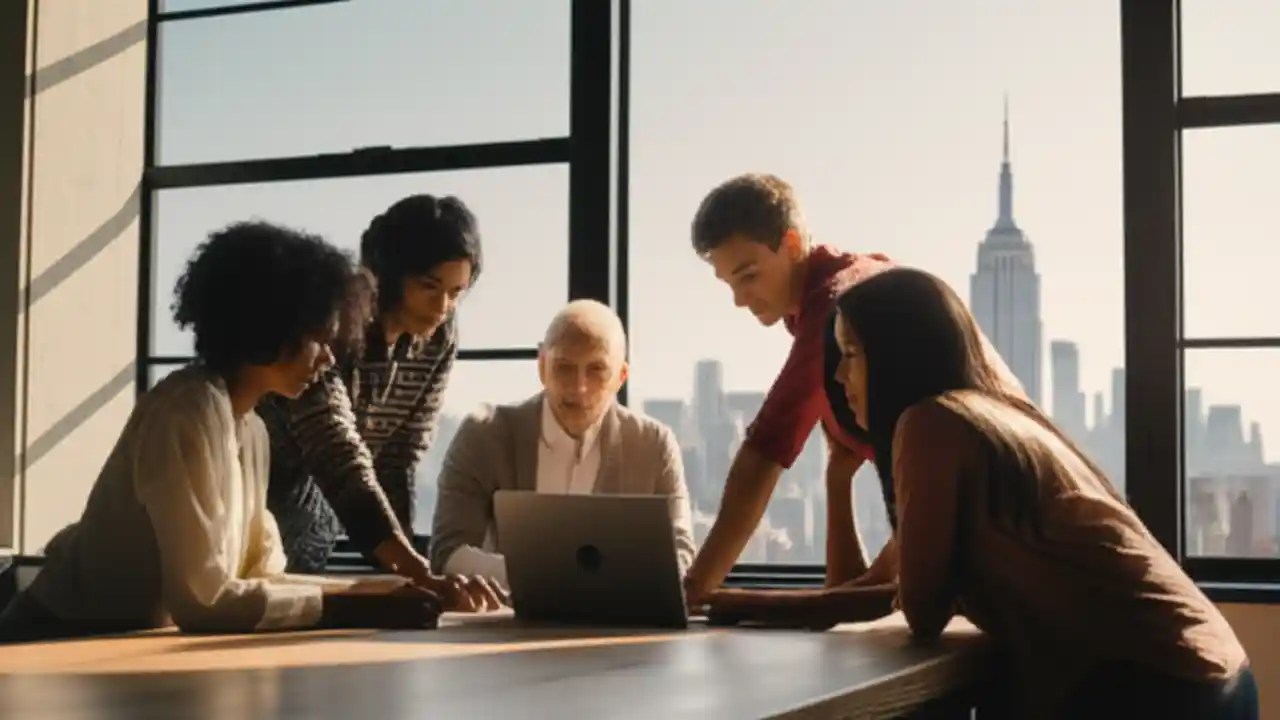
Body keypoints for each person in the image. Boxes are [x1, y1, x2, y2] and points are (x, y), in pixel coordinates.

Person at [713, 267, 1257, 719]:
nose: (841, 378)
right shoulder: (995, 416)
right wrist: (831, 491)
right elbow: (884, 590)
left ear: (898, 353)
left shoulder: (932, 424)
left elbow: (920, 609)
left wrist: (746, 604)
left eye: (851, 354)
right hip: (1212, 677)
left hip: (1157, 690)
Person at [0, 222, 443, 643]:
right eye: (319, 339)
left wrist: (378, 591)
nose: (329, 359)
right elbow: (204, 601)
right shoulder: (186, 410)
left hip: (122, 642)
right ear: (270, 326)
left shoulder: (250, 428)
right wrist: (356, 608)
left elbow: (260, 577)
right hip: (51, 635)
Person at [260, 194, 501, 609]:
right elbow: (336, 451)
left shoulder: (438, 335)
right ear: (389, 276)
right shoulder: (333, 320)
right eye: (429, 287)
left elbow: (400, 456)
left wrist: (411, 575)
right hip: (259, 506)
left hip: (324, 527)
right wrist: (418, 571)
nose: (443, 307)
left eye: (457, 292)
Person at [679, 172, 897, 607]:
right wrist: (837, 481)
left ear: (793, 245)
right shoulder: (819, 308)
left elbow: (764, 452)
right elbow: (848, 589)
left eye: (749, 275)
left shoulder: (838, 301)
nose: (740, 299)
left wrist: (695, 594)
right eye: (729, 284)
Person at [429, 300, 696, 587]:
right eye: (564, 367)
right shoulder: (484, 433)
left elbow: (680, 558)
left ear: (621, 377)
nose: (579, 387)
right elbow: (447, 553)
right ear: (542, 366)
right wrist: (559, 578)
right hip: (508, 623)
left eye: (596, 369)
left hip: (617, 627)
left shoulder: (655, 446)